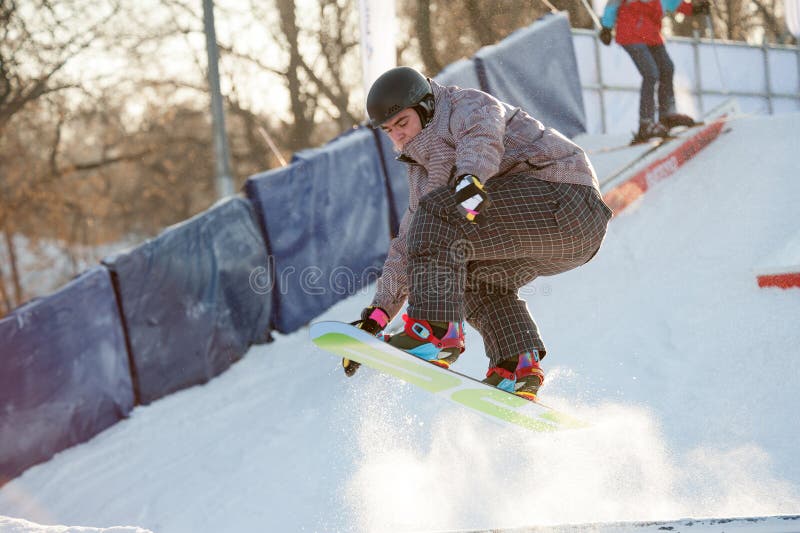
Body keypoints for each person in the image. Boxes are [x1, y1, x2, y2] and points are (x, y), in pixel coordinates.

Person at [341, 66, 613, 401]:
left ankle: (435, 332)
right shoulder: (422, 173)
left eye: (403, 123)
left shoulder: (462, 105)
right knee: (460, 268)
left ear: (425, 107)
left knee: (438, 212)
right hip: (563, 242)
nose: (398, 136)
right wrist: (377, 316)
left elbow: (482, 136)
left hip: (567, 199)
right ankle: (517, 365)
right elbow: (409, 243)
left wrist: (471, 178)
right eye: (389, 130)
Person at [599, 0, 711, 143]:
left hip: (651, 34)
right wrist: (607, 27)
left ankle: (667, 116)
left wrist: (695, 9)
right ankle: (646, 123)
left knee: (667, 68)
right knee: (650, 74)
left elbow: (674, 4)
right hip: (630, 32)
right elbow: (613, 4)